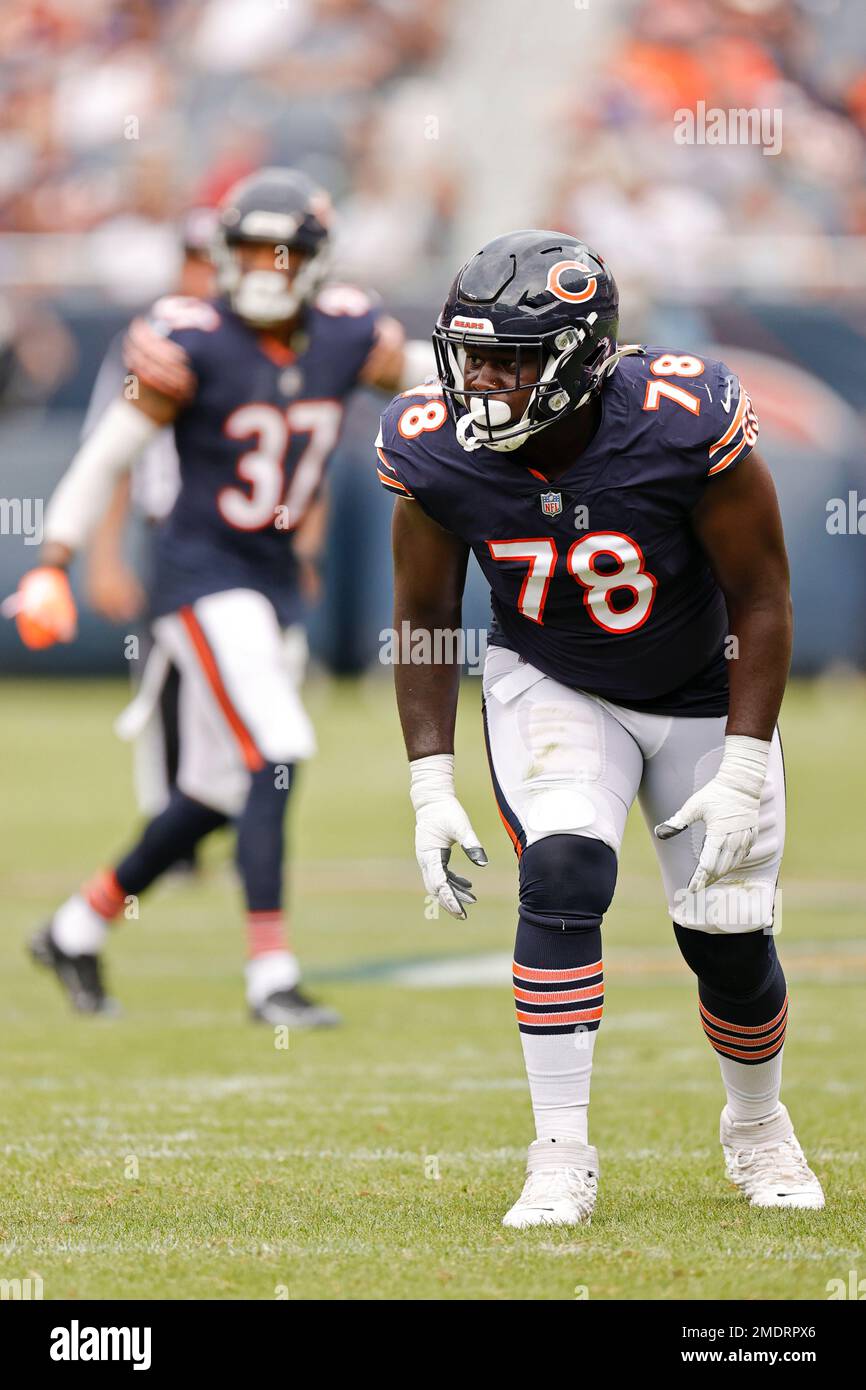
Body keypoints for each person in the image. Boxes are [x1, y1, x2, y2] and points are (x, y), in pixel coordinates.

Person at [376, 229, 824, 1224]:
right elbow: (420, 617)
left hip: (700, 688)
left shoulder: (677, 420)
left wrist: (744, 763)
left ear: (579, 356)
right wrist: (426, 783)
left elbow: (760, 597)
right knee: (565, 870)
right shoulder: (431, 444)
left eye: (507, 360)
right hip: (552, 678)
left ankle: (755, 1125)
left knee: (727, 939)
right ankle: (558, 1151)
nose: (478, 381)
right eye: (467, 355)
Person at [15, 167, 430, 1027]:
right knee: (277, 746)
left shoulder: (350, 330)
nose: (265, 268)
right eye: (247, 250)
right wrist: (53, 559)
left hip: (271, 578)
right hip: (201, 575)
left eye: (282, 252)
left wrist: (519, 377)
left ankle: (74, 927)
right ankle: (270, 976)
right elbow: (107, 454)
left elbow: (434, 383)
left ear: (316, 259)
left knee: (210, 795)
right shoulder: (190, 337)